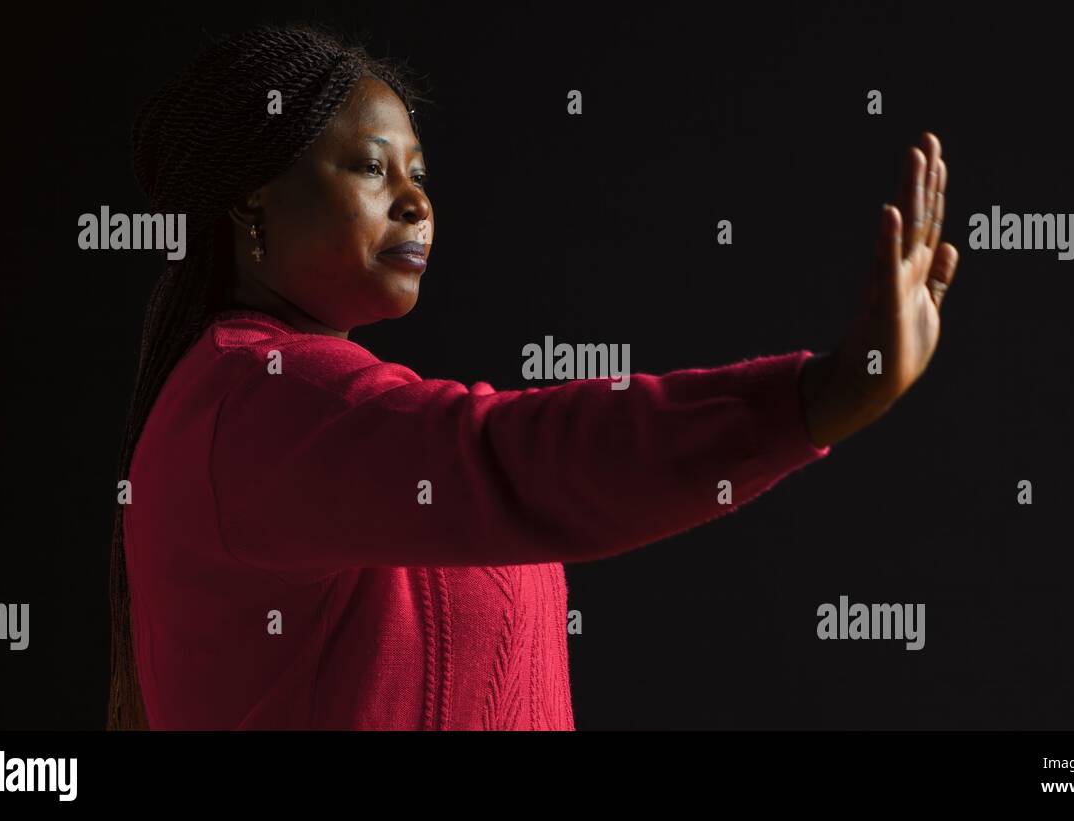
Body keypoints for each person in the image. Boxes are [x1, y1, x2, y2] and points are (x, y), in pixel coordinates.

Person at [109, 23, 959, 730]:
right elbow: (507, 456)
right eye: (372, 167)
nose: (416, 202)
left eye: (421, 173)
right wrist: (818, 398)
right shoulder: (262, 404)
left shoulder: (289, 397)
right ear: (251, 206)